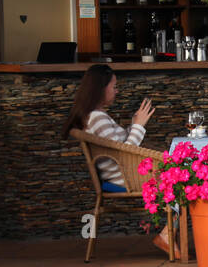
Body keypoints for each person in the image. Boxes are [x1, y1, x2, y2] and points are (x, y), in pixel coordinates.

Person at [62, 63, 174, 255]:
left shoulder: (95, 116)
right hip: (124, 177)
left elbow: (119, 145)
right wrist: (139, 126)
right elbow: (125, 153)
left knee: (181, 173)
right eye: (114, 86)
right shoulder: (98, 118)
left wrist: (134, 124)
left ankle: (168, 235)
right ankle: (167, 236)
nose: (117, 90)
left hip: (120, 174)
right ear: (100, 89)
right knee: (184, 178)